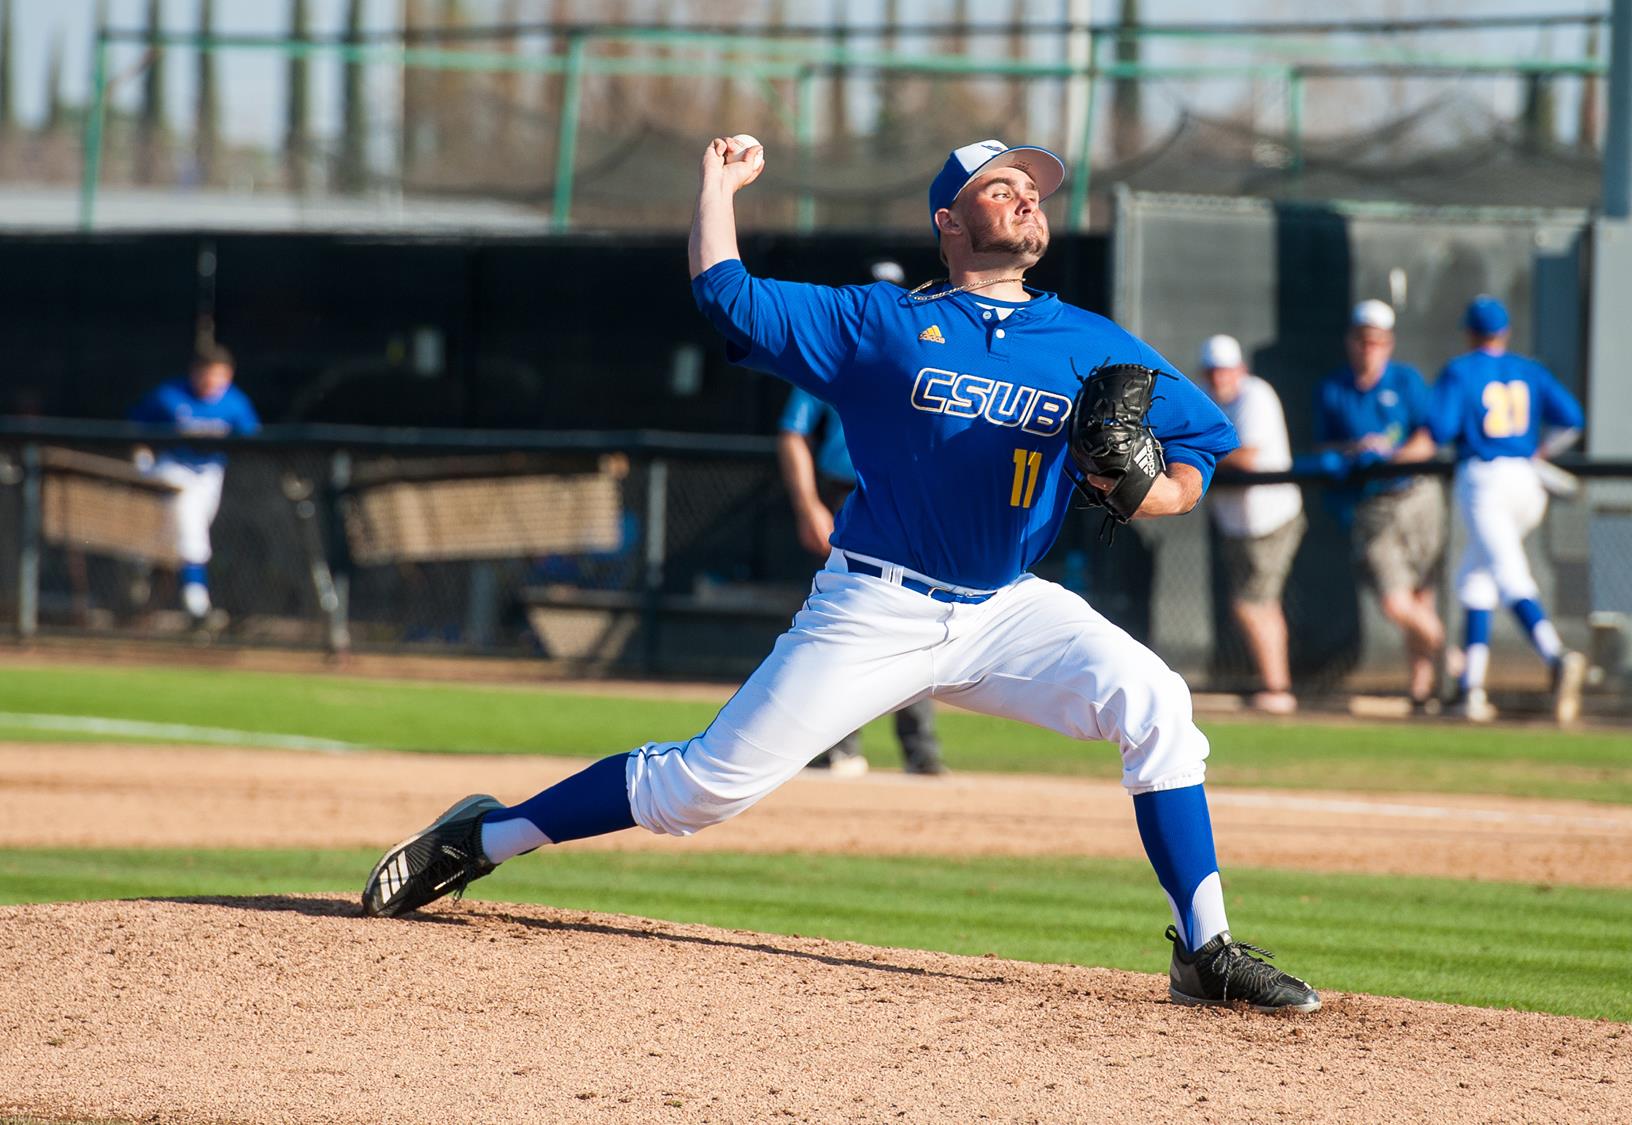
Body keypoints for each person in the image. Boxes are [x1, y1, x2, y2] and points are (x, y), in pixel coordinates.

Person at [361, 136, 1320, 1013]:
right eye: (1002, 186)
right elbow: (727, 294)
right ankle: (482, 839)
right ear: (950, 221)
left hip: (1007, 610)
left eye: (1034, 188)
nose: (1028, 197)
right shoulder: (878, 324)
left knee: (1158, 704)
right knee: (699, 790)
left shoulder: (1092, 344)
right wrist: (716, 187)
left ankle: (1206, 950)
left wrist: (1149, 492)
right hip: (877, 604)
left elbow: (1199, 451)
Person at [777, 262, 949, 776]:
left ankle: (919, 753)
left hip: (907, 497)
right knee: (843, 613)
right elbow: (793, 432)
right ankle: (836, 744)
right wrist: (808, 503)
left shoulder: (928, 356)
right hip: (844, 494)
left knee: (910, 613)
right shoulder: (835, 357)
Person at [1420, 295, 1587, 724]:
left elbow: (1439, 428)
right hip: (1528, 480)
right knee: (1475, 578)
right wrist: (1542, 450)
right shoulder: (1528, 370)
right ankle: (1469, 689)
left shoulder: (1461, 370)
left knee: (1509, 574)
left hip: (1485, 478)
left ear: (1470, 332)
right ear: (1505, 331)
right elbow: (1572, 418)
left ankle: (1556, 657)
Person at [1313, 300, 1449, 707]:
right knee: (1395, 602)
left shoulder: (1405, 381)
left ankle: (1422, 691)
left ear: (1388, 344)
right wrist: (1357, 450)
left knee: (1423, 594)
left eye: (1376, 342)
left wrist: (1392, 458)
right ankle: (1457, 662)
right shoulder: (1334, 389)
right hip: (1373, 505)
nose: (1368, 349)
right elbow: (1325, 445)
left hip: (1417, 496)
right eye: (1362, 341)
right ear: (1350, 342)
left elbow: (1429, 438)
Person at [1200, 334, 1306, 715]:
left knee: (1250, 604)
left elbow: (1247, 456)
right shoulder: (1205, 398)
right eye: (1213, 372)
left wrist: (1198, 451)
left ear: (1240, 369)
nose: (1219, 378)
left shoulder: (1255, 395)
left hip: (1271, 519)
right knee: (1263, 605)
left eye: (1226, 371)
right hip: (1237, 523)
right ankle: (1276, 686)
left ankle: (1277, 688)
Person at [127, 342, 261, 621]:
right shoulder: (170, 395)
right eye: (206, 374)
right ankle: (196, 602)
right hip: (172, 467)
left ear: (229, 375)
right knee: (191, 526)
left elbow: (253, 437)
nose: (211, 381)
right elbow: (136, 423)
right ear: (194, 372)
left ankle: (142, 565)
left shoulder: (235, 402)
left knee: (181, 528)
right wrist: (141, 455)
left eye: (219, 375)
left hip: (210, 473)